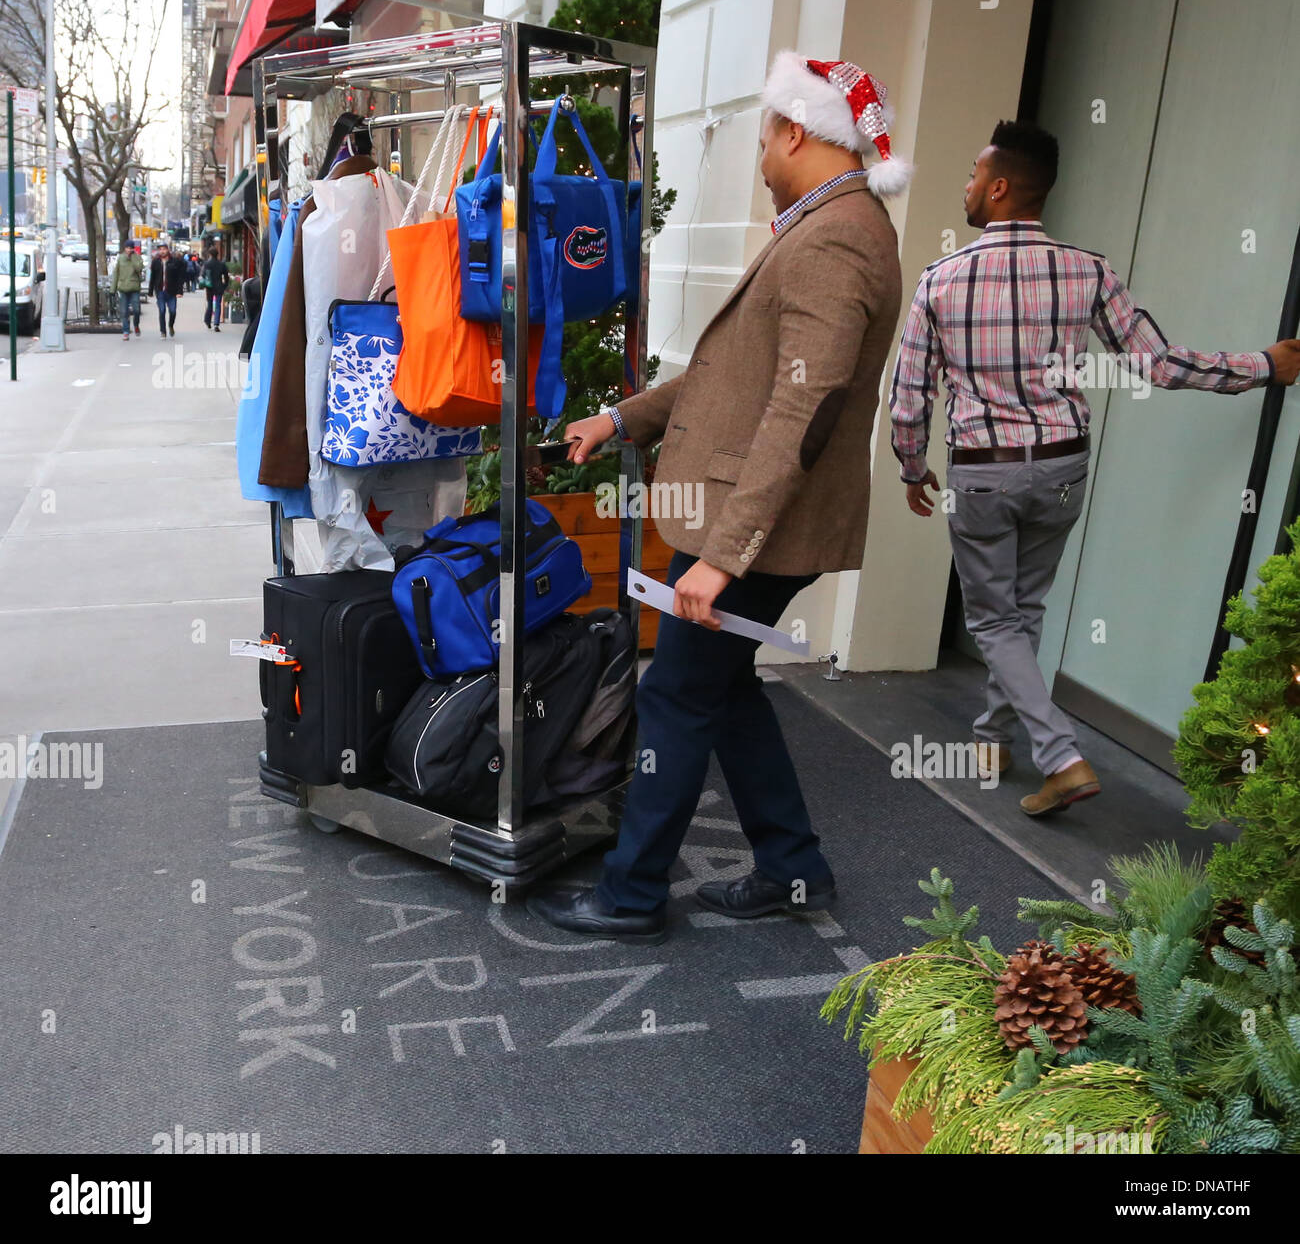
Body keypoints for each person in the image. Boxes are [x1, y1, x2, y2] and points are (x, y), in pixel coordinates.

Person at [527, 52, 911, 943]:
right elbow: (726, 379)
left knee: (677, 694)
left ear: (792, 131)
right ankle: (793, 867)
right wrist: (621, 421)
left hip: (761, 528)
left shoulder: (839, 235)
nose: (760, 156)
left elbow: (800, 408)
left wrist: (723, 556)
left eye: (763, 137)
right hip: (757, 520)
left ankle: (630, 896)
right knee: (725, 691)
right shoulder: (823, 224)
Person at [889, 120, 1300, 818]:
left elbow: (907, 394)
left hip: (983, 473)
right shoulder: (1088, 270)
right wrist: (1264, 365)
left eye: (969, 175)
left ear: (998, 187)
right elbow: (1158, 364)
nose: (962, 187)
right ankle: (992, 736)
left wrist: (910, 463)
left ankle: (1061, 756)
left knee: (992, 620)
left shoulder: (942, 278)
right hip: (1062, 468)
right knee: (1023, 609)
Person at [148, 242, 188, 337]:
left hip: (172, 291)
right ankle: (163, 331)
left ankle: (170, 325)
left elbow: (180, 277)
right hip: (160, 290)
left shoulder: (174, 261)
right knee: (162, 311)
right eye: (160, 249)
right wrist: (150, 291)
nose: (162, 251)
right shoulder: (155, 262)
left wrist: (180, 291)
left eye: (164, 249)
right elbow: (152, 277)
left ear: (168, 250)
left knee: (173, 311)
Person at [109, 241, 143, 340]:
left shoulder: (137, 257)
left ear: (133, 248)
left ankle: (136, 325)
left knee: (136, 310)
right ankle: (126, 331)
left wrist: (132, 258)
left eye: (131, 248)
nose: (129, 250)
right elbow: (116, 273)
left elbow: (139, 268)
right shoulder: (120, 258)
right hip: (123, 288)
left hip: (134, 287)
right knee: (124, 311)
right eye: (127, 248)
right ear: (125, 248)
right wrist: (113, 289)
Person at [202, 245, 230, 331]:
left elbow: (203, 275)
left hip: (209, 286)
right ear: (217, 254)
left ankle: (207, 320)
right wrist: (225, 285)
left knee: (210, 304)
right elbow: (226, 276)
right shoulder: (221, 264)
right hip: (219, 286)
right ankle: (216, 324)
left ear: (210, 254)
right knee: (218, 305)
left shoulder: (207, 264)